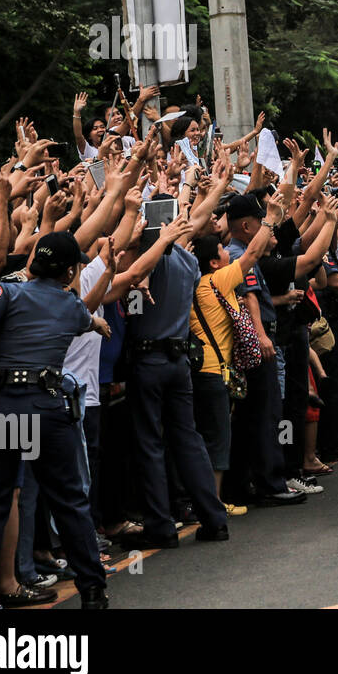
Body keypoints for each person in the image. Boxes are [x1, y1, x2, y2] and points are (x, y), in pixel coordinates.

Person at [0, 231, 111, 609]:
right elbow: (87, 317)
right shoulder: (71, 306)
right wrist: (97, 323)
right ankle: (93, 590)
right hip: (47, 408)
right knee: (69, 501)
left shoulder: (9, 293)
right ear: (70, 271)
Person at [122, 209, 234, 549]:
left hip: (148, 358)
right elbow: (192, 221)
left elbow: (135, 274)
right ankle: (214, 519)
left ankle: (161, 526)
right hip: (178, 359)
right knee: (189, 439)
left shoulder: (149, 265)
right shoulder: (188, 263)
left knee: (151, 444)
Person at [188, 196, 284, 509]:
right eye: (221, 251)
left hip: (211, 372)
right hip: (213, 373)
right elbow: (253, 253)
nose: (227, 252)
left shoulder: (204, 283)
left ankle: (214, 500)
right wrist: (269, 219)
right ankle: (215, 505)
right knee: (217, 441)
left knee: (214, 437)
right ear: (215, 263)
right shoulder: (216, 280)